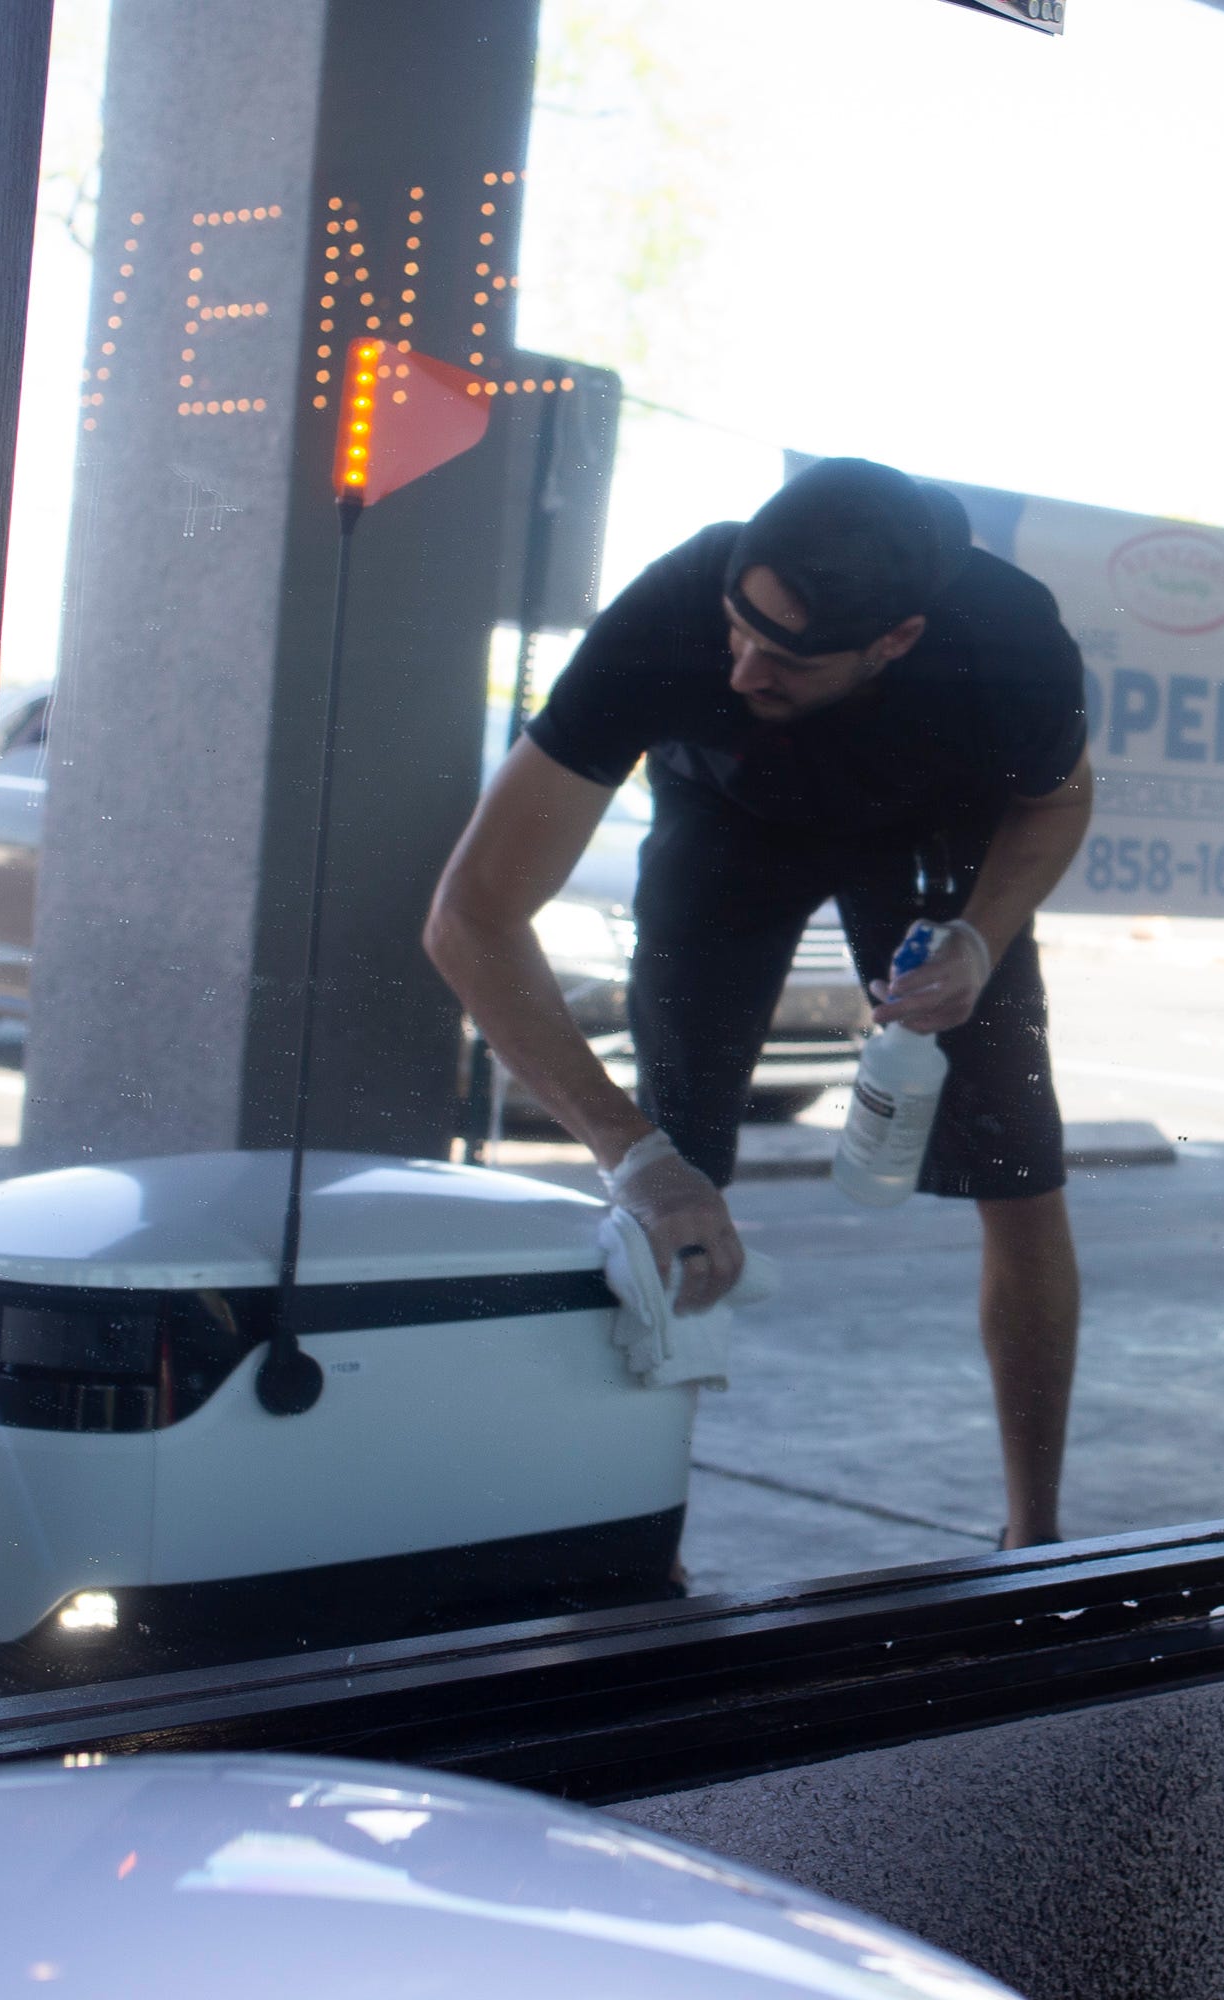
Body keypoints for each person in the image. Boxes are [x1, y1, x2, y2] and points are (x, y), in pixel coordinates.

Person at [427, 457, 1092, 1549]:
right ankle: (627, 1537)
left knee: (1022, 1174)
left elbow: (1059, 798)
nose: (742, 671)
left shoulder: (1008, 634)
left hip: (935, 841)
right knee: (661, 1179)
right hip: (724, 820)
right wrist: (637, 1158)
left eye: (784, 658)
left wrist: (983, 935)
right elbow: (467, 916)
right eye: (736, 633)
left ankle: (1036, 1537)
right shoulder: (675, 607)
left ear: (896, 639)